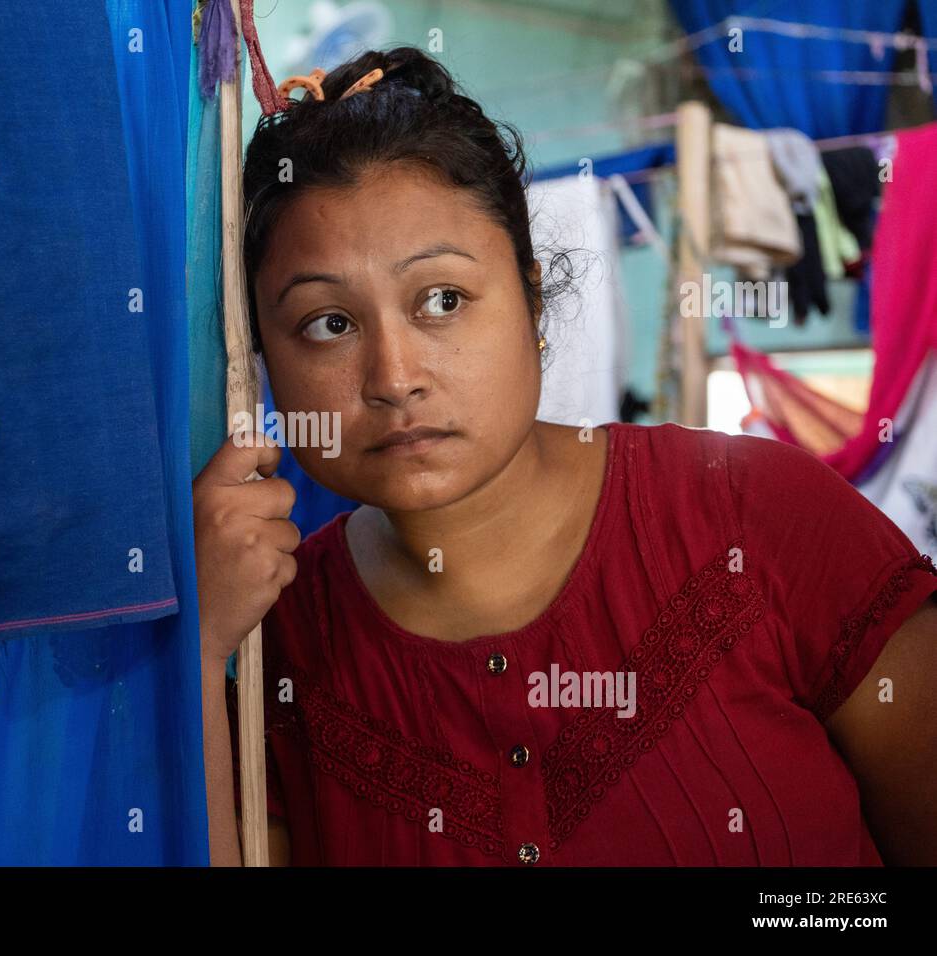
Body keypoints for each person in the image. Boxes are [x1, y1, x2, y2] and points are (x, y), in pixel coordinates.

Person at [195, 47, 937, 867]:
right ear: (261, 360)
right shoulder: (280, 653)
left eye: (443, 300)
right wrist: (198, 652)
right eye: (328, 324)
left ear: (533, 300)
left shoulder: (757, 520)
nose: (394, 379)